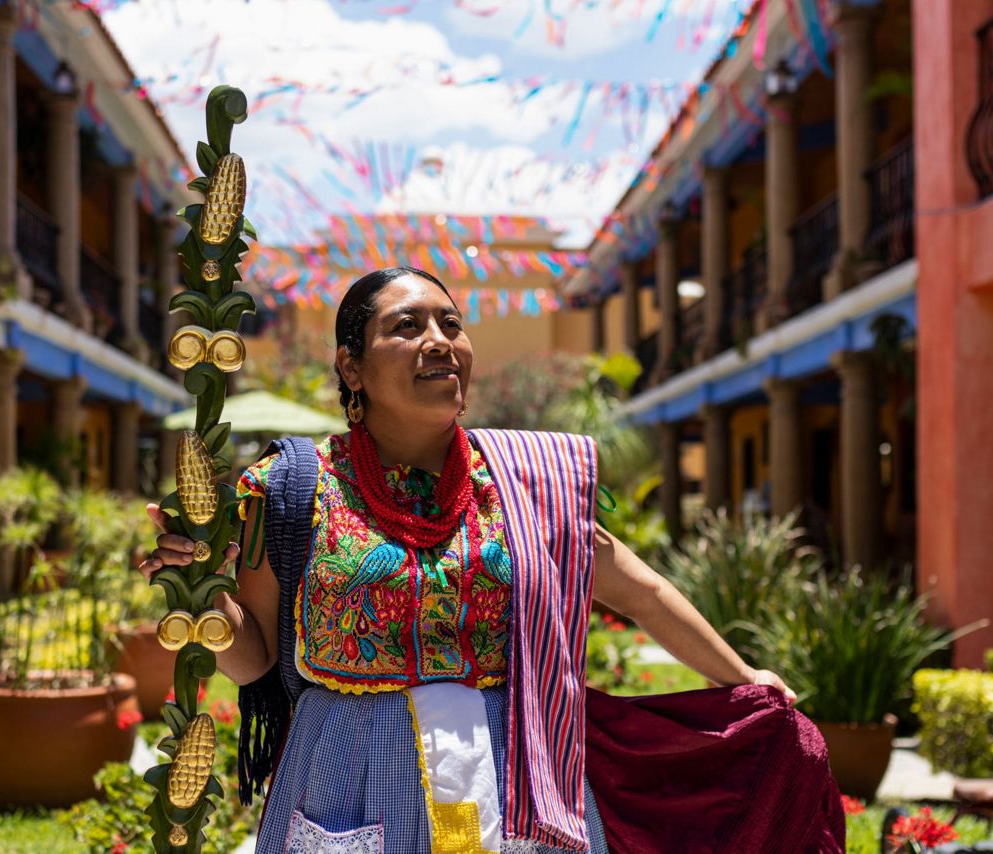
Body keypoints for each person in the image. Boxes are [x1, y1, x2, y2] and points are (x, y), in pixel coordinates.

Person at [140, 267, 844, 853]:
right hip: (347, 772)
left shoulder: (526, 482)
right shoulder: (290, 488)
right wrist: (201, 595)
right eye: (408, 326)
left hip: (513, 778)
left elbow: (641, 592)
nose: (440, 341)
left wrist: (745, 677)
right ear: (350, 366)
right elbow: (255, 660)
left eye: (451, 324)